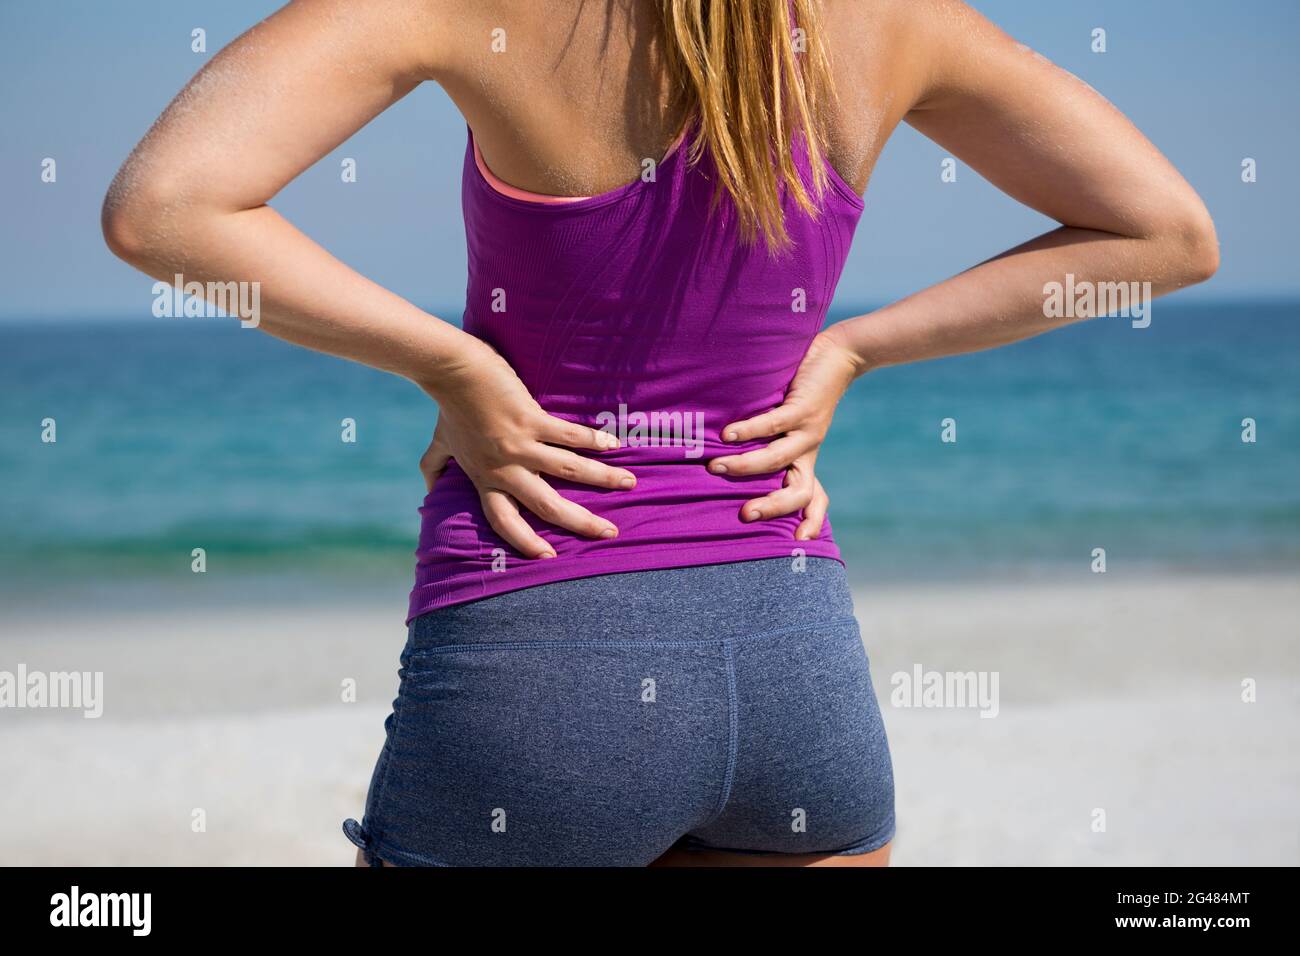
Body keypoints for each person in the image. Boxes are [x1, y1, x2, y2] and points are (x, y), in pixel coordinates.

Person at [101, 0, 1218, 866]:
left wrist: (450, 364)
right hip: (795, 670)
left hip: (534, 661)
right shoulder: (892, 21)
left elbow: (162, 211)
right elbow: (1167, 233)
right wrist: (853, 347)